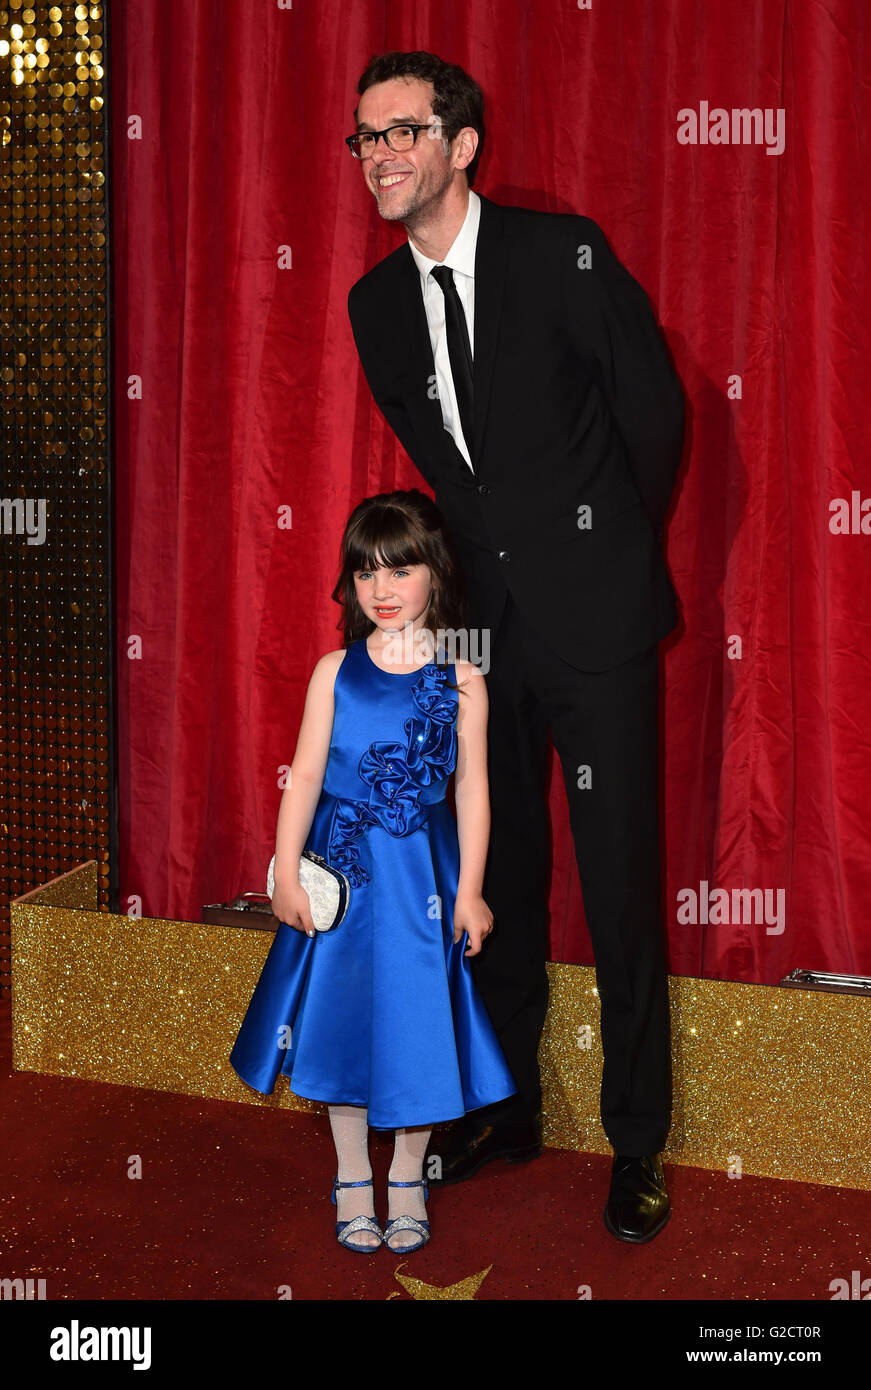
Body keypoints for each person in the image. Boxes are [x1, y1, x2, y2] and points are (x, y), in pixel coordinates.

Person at [345, 51, 685, 1243]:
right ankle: (507, 1108)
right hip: (480, 632)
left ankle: (637, 1139)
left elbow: (654, 414)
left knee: (620, 879)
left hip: (595, 622)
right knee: (496, 873)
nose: (379, 155)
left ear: (462, 143)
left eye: (400, 131)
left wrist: (595, 554)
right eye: (364, 139)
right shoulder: (373, 306)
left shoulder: (564, 253)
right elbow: (452, 484)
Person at [229, 489, 516, 1254]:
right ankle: (353, 1171)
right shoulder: (334, 671)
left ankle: (408, 1176)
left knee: (420, 1023)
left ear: (435, 573)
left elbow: (473, 789)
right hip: (344, 874)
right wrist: (285, 872)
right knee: (339, 1023)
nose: (381, 590)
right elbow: (306, 776)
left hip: (423, 875)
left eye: (399, 570)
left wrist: (471, 891)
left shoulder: (463, 679)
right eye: (364, 574)